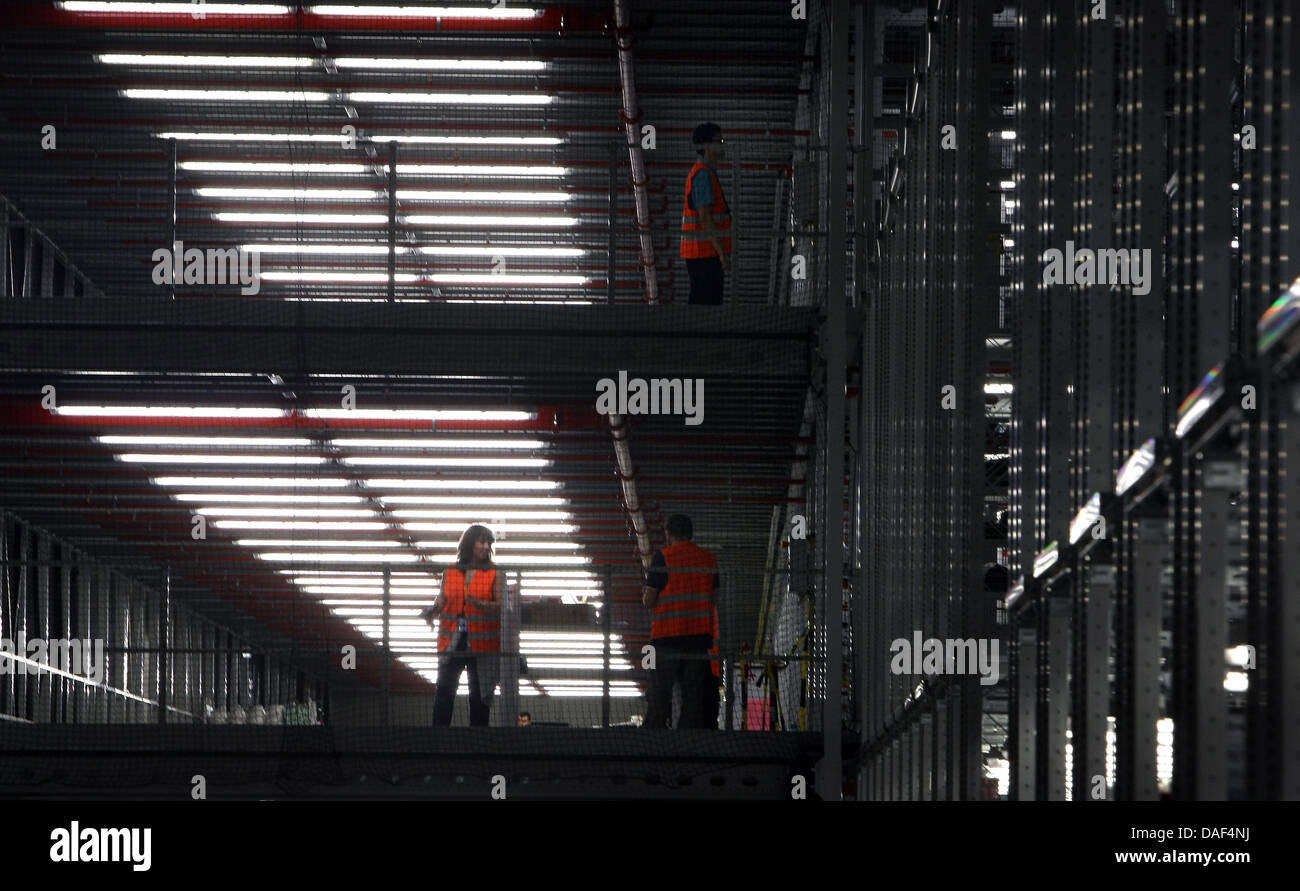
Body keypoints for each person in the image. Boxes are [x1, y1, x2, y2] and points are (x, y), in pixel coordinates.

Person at [642, 513, 719, 728]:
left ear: (668, 533)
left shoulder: (663, 557)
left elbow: (649, 600)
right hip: (698, 641)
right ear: (690, 533)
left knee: (659, 694)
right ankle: (688, 746)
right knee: (693, 698)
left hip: (666, 639)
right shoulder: (709, 559)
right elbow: (714, 599)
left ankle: (651, 741)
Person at [424, 525, 503, 726]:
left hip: (482, 646)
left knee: (478, 696)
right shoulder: (450, 571)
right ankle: (438, 740)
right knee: (444, 691)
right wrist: (433, 610)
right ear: (469, 543)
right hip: (452, 641)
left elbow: (502, 606)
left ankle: (477, 743)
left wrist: (481, 604)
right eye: (481, 541)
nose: (486, 546)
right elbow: (442, 597)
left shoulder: (495, 572)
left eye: (489, 542)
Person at [680, 122, 733, 304]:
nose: (722, 144)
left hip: (702, 254)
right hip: (704, 255)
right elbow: (706, 218)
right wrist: (721, 253)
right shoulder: (703, 175)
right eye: (719, 141)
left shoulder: (705, 172)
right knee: (706, 304)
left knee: (703, 303)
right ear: (706, 145)